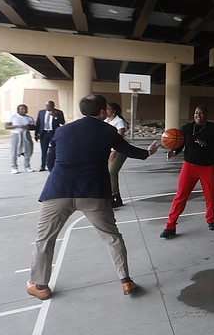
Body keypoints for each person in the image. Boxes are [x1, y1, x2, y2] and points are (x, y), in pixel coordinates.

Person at [26, 94, 159, 300]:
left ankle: (41, 285)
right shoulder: (108, 130)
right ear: (103, 112)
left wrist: (64, 177)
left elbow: (51, 164)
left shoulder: (62, 131)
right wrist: (148, 152)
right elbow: (127, 150)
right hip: (94, 192)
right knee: (112, 237)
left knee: (45, 239)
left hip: (58, 190)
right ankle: (125, 281)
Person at [160, 105, 214, 239]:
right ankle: (170, 226)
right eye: (196, 113)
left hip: (208, 166)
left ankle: (211, 220)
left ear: (206, 115)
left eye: (201, 113)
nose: (198, 115)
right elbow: (181, 144)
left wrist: (206, 143)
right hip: (189, 166)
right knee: (180, 196)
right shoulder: (187, 128)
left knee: (210, 194)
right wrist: (174, 151)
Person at [105, 102, 128, 208]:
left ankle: (116, 198)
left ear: (114, 111)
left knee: (112, 172)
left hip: (118, 150)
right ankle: (111, 196)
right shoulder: (105, 121)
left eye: (108, 109)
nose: (106, 111)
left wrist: (113, 152)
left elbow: (118, 140)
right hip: (107, 150)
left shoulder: (119, 122)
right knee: (106, 173)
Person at [34, 100, 65, 171]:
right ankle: (42, 166)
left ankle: (54, 165)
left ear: (53, 106)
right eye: (47, 106)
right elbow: (38, 123)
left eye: (50, 106)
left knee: (54, 150)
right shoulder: (41, 112)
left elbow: (62, 122)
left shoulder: (59, 112)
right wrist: (36, 134)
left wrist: (56, 116)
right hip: (44, 133)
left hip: (53, 133)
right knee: (44, 150)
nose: (48, 107)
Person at [6, 104, 36, 174]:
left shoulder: (29, 118)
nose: (24, 110)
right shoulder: (13, 117)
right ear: (18, 110)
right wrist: (17, 126)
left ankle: (27, 166)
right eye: (22, 109)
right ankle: (14, 167)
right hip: (16, 135)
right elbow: (7, 126)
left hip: (26, 135)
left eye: (25, 109)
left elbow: (33, 127)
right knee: (14, 151)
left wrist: (28, 127)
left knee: (28, 151)